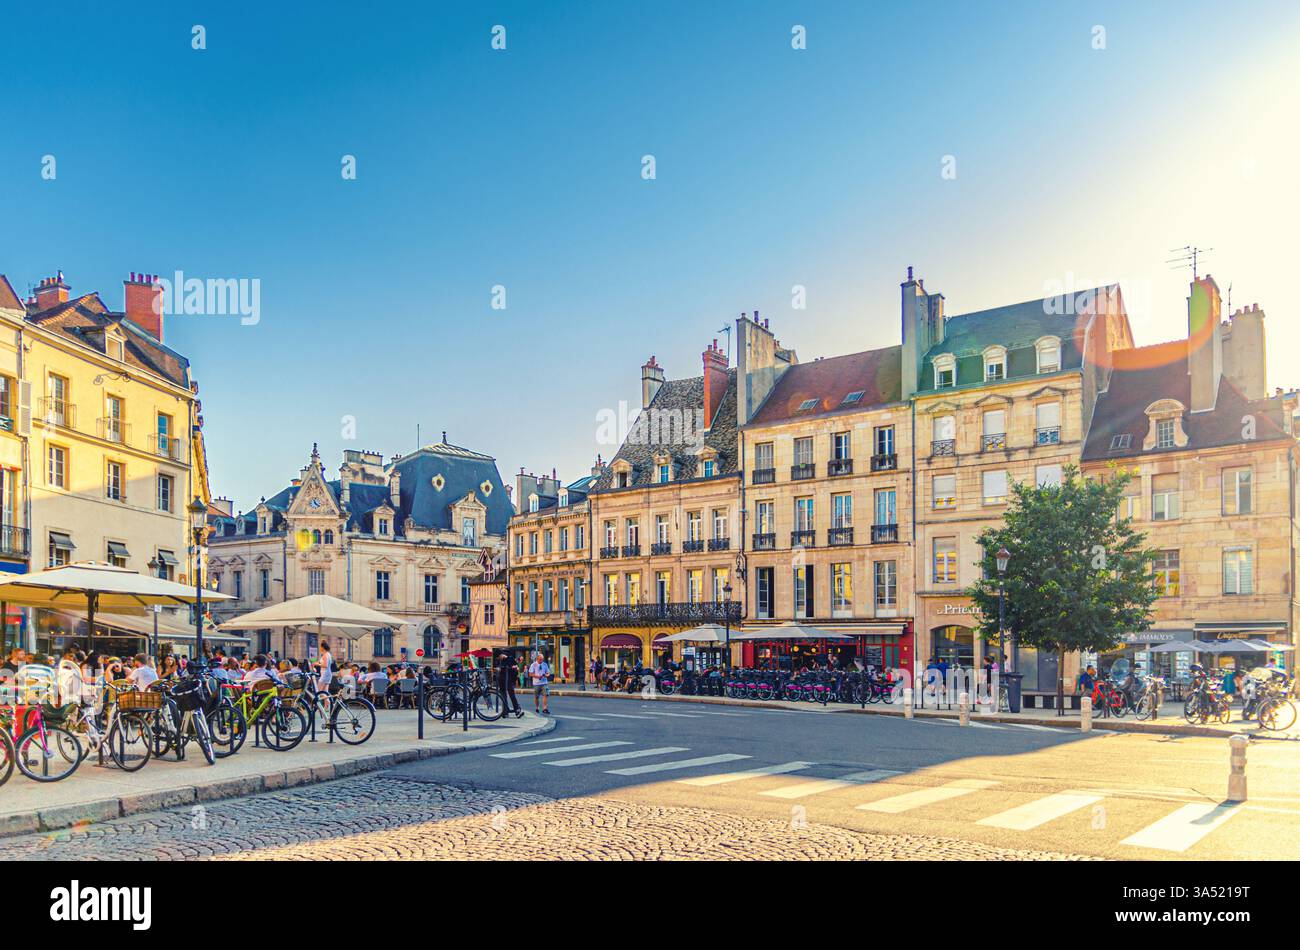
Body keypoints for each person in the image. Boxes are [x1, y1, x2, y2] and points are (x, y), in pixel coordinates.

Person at [499, 651, 523, 718]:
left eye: (500, 656)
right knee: (504, 696)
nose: (500, 658)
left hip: (509, 680)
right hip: (503, 680)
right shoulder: (501, 661)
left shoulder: (510, 658)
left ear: (503, 654)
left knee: (511, 695)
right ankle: (505, 711)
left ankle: (516, 710)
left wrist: (513, 668)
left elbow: (515, 667)